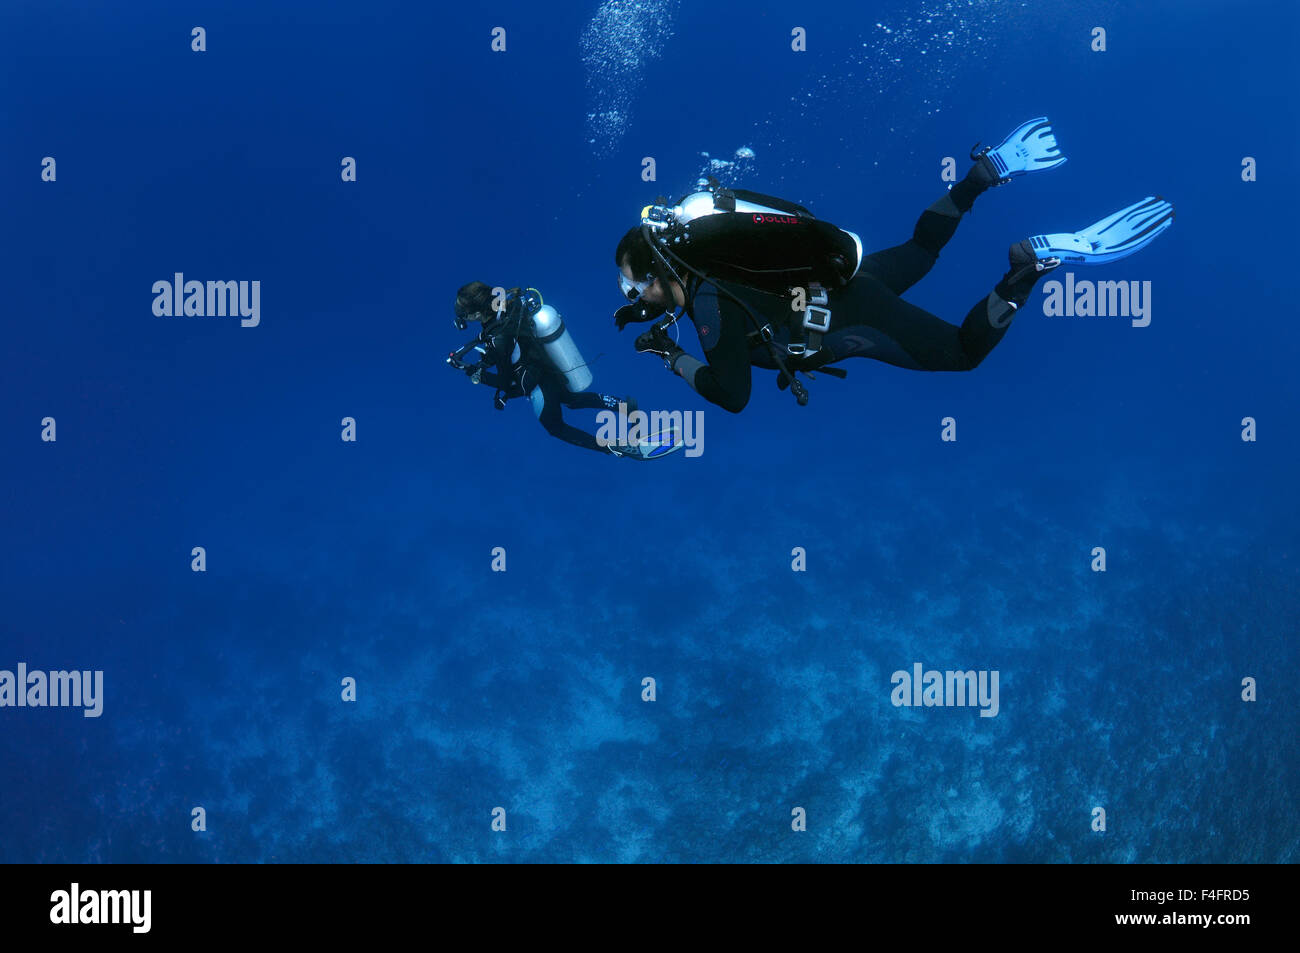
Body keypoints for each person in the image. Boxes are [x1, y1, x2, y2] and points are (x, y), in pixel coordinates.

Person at [613, 117, 1175, 411]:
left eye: (635, 287)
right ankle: (981, 177)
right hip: (847, 278)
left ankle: (1025, 268)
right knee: (922, 249)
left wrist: (673, 357)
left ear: (663, 270)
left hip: (852, 318)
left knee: (962, 352)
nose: (634, 298)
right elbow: (689, 296)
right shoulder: (711, 264)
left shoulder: (709, 306)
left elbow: (731, 396)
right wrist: (648, 317)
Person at [448, 281, 656, 459]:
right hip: (547, 365)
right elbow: (511, 345)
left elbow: (506, 382)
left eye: (464, 313)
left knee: (555, 427)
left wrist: (475, 373)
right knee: (572, 400)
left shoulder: (498, 336)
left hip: (536, 381)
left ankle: (613, 447)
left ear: (476, 313)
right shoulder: (507, 310)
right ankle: (625, 406)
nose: (462, 317)